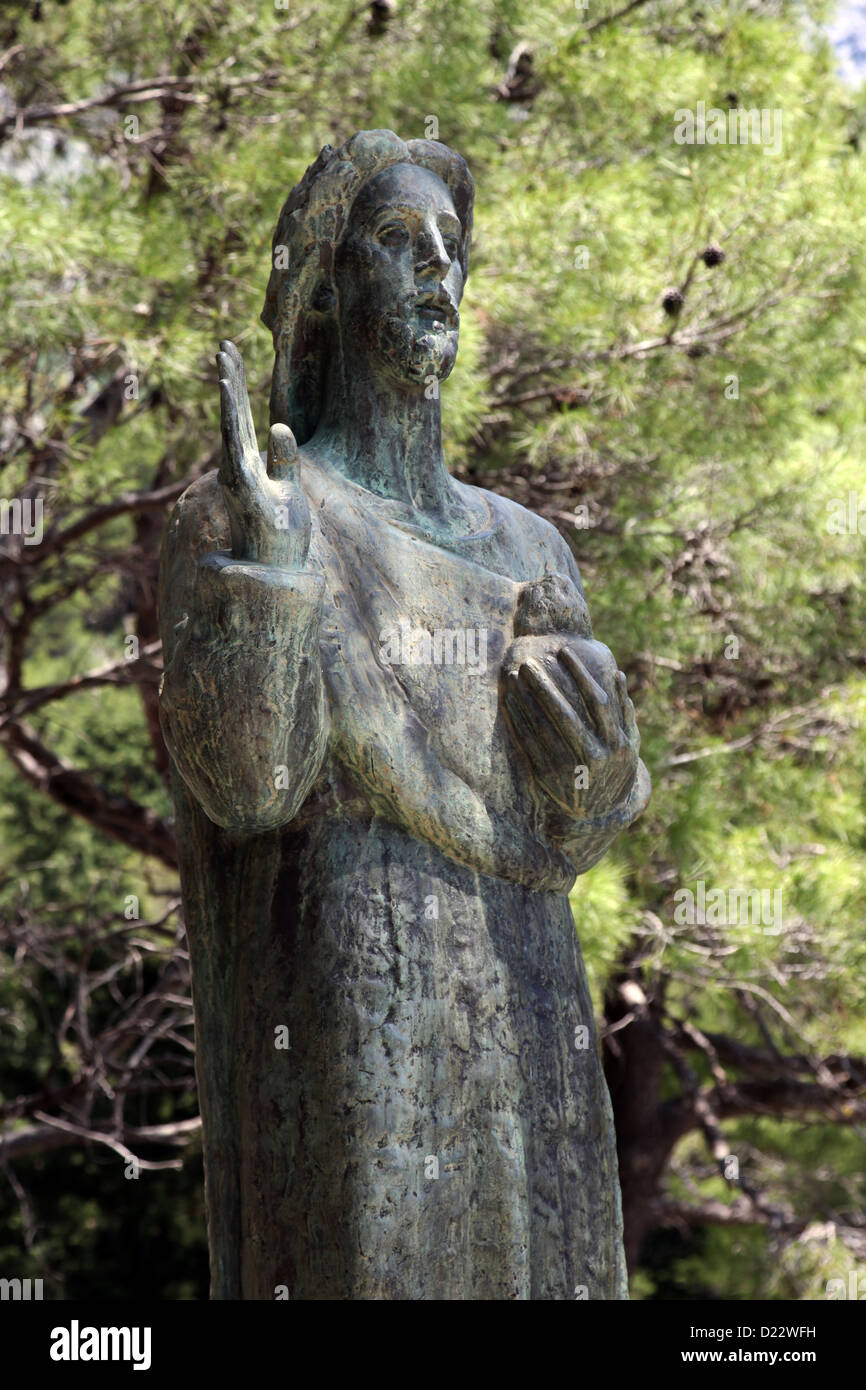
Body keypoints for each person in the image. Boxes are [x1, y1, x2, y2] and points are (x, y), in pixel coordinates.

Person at [158, 130, 650, 1299]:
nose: (437, 267)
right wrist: (272, 585)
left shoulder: (528, 546)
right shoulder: (255, 509)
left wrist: (597, 775)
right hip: (347, 1022)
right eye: (396, 241)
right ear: (326, 289)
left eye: (451, 245)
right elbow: (244, 788)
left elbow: (581, 818)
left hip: (530, 1006)